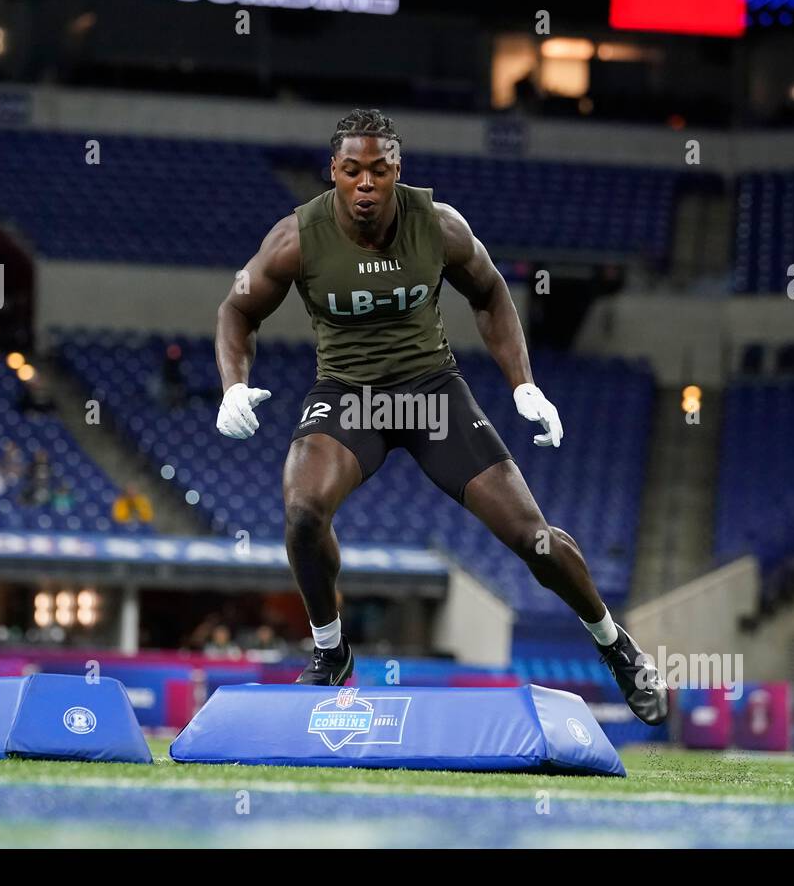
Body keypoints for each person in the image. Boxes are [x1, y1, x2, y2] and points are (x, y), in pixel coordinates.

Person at [212, 109, 666, 724]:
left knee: (532, 539)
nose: (366, 183)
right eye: (352, 171)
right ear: (334, 173)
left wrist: (524, 386)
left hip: (432, 394)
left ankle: (618, 647)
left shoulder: (439, 224)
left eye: (379, 169)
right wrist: (233, 386)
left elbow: (491, 293)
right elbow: (236, 312)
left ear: (398, 170)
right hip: (351, 396)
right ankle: (331, 651)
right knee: (302, 512)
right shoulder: (296, 237)